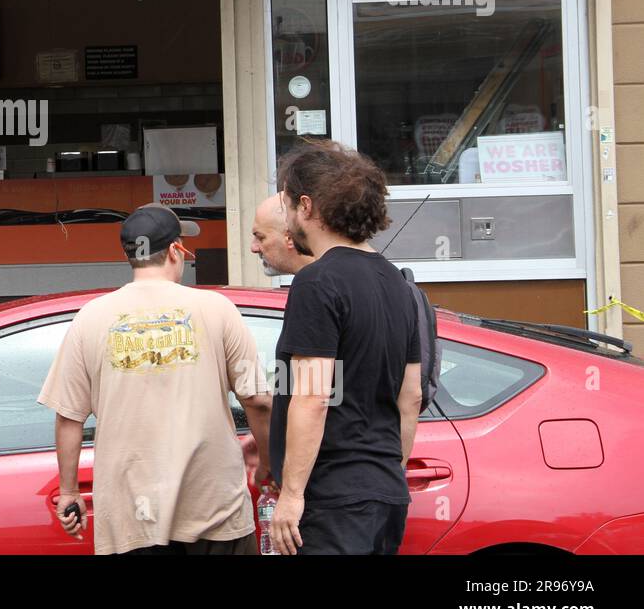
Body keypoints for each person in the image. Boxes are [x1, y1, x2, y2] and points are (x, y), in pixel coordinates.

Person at [38, 203, 273, 555]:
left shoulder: (91, 318)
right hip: (214, 511)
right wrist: (267, 465)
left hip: (131, 517)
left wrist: (70, 493)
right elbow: (257, 400)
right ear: (176, 251)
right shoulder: (217, 309)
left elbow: (69, 417)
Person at [268, 141, 422, 555]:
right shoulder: (398, 284)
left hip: (334, 500)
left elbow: (314, 395)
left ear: (306, 206)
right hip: (386, 494)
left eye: (284, 206)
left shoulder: (317, 282)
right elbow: (411, 396)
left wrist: (293, 494)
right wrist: (390, 471)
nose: (285, 219)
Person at [250, 191, 314, 277]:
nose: (253, 248)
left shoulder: (315, 285)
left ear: (291, 237)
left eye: (261, 238)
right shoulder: (328, 279)